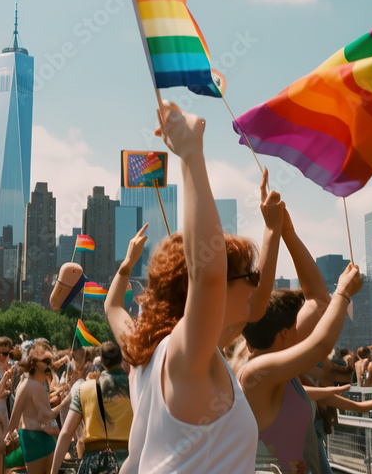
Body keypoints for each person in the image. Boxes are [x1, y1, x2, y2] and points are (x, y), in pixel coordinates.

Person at [104, 101, 273, 473]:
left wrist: (128, 265)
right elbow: (209, 276)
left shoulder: (147, 356)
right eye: (250, 275)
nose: (256, 284)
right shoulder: (185, 353)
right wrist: (190, 155)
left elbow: (113, 308)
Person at [241, 276, 364, 474]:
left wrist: (284, 241)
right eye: (295, 326)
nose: (302, 332)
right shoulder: (258, 372)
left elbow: (319, 300)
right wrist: (342, 293)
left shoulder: (276, 373)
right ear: (285, 333)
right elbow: (320, 344)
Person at [49, 341, 133, 474]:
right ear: (121, 359)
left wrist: (53, 471)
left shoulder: (84, 389)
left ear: (102, 362)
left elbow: (66, 433)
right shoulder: (135, 387)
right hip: (128, 462)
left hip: (94, 463)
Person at [4, 343, 70, 474]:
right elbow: (46, 415)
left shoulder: (25, 384)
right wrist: (66, 402)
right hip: (36, 439)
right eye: (46, 362)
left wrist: (9, 433)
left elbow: (15, 415)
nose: (49, 365)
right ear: (36, 365)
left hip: (32, 438)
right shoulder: (35, 385)